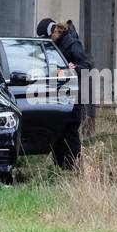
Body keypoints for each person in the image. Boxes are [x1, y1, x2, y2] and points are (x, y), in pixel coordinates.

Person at [36, 17, 92, 170]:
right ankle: (60, 169)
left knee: (70, 134)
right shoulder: (52, 45)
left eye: (49, 38)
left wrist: (74, 68)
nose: (49, 41)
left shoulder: (72, 44)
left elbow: (87, 65)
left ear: (55, 31)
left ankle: (74, 168)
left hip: (72, 98)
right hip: (57, 96)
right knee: (56, 134)